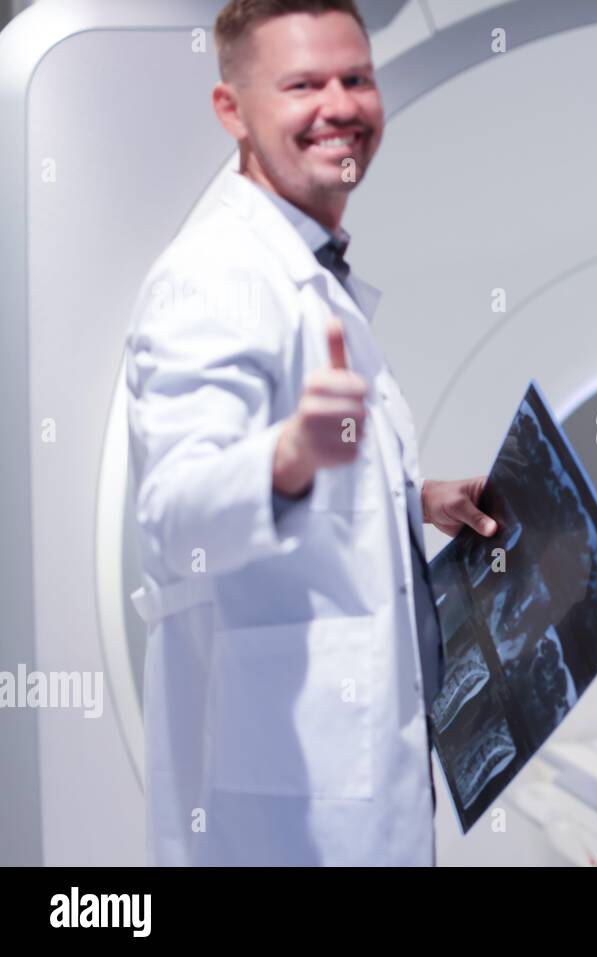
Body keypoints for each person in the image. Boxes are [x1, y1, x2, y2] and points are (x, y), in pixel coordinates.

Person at [124, 0, 497, 866]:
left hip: (352, 773)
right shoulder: (213, 279)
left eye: (356, 79)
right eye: (302, 84)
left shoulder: (308, 270)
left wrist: (408, 501)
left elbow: (326, 497)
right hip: (283, 810)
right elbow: (175, 516)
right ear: (233, 111)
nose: (340, 105)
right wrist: (291, 457)